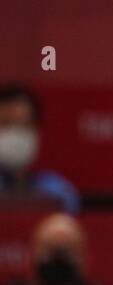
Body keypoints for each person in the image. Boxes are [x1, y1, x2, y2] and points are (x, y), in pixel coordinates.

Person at [0, 84, 80, 212]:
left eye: (25, 124)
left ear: (37, 132)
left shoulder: (57, 190)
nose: (15, 132)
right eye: (7, 123)